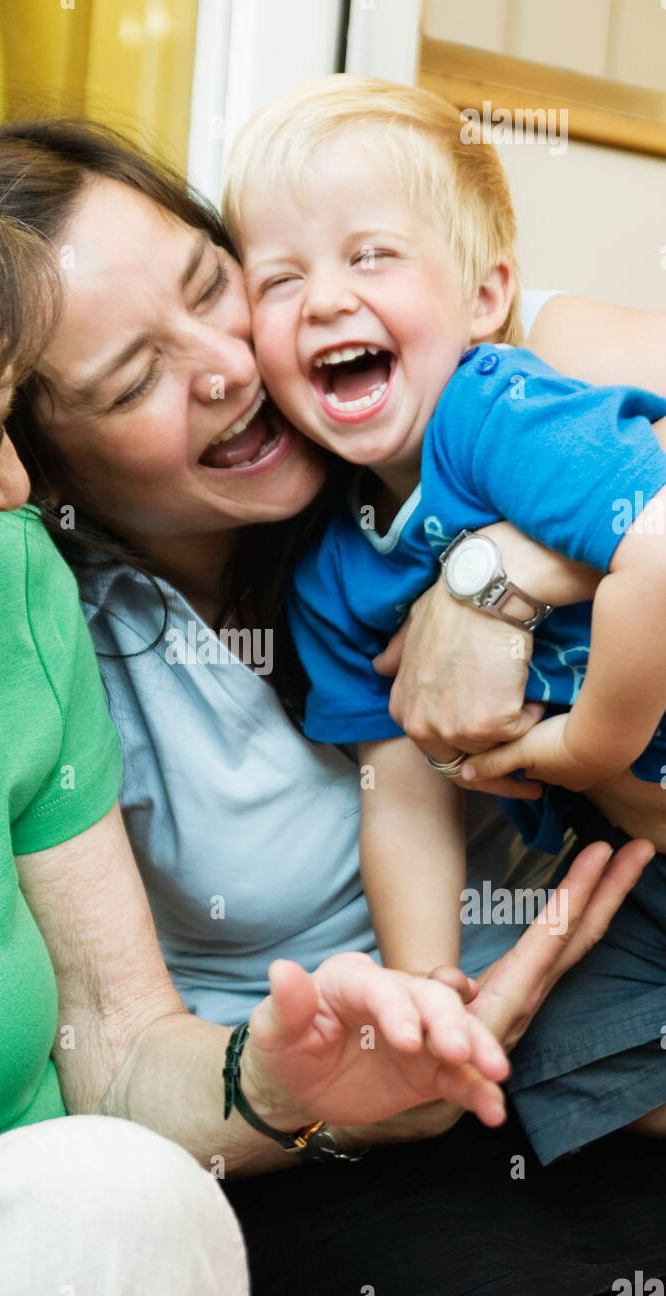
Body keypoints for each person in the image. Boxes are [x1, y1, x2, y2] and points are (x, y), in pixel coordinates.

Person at [0, 113, 571, 1296]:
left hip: (30, 1232)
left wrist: (290, 1088)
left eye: (212, 284)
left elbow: (118, 1046)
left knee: (118, 1186)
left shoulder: (1, 584)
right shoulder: (91, 600)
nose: (10, 490)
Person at [221, 74, 666, 1166]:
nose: (324, 298)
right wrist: (430, 984)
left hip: (631, 793)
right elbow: (401, 788)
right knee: (557, 1062)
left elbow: (657, 543)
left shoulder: (498, 413)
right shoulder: (329, 569)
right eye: (279, 279)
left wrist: (587, 744)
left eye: (369, 255)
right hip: (637, 867)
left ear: (481, 297)